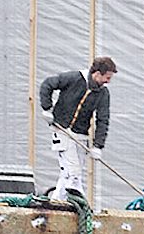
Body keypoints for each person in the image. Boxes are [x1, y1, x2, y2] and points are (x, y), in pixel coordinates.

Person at [38, 56, 116, 203]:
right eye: (107, 77)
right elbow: (47, 84)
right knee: (72, 172)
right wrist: (47, 108)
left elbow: (103, 120)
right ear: (97, 73)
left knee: (70, 172)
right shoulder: (74, 78)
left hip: (81, 135)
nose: (108, 81)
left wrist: (98, 145)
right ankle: (78, 202)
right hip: (62, 129)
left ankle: (56, 202)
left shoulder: (103, 93)